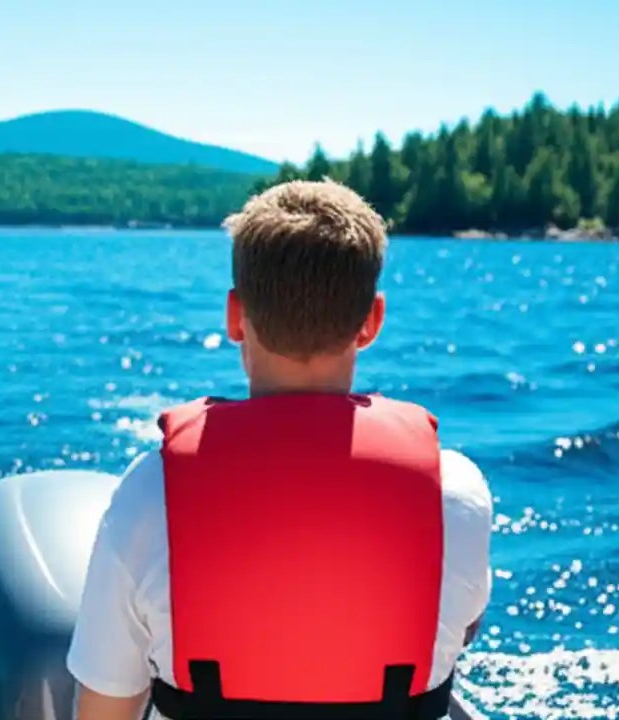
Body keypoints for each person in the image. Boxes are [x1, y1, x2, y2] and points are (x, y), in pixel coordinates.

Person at [66, 179, 493, 720]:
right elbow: (463, 626)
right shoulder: (454, 492)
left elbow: (102, 708)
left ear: (234, 316)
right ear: (372, 321)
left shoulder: (152, 492)